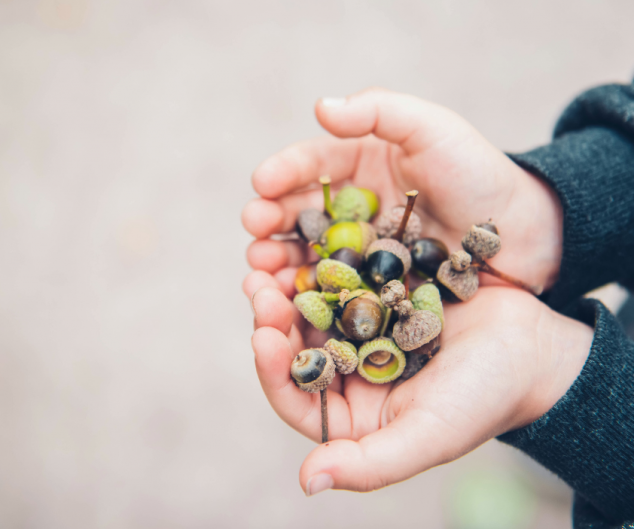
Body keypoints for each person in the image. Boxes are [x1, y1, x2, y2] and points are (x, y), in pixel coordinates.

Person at [241, 84, 634, 528]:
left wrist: (564, 381)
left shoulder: (408, 286)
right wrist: (559, 207)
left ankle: (570, 467)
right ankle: (562, 468)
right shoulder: (362, 301)